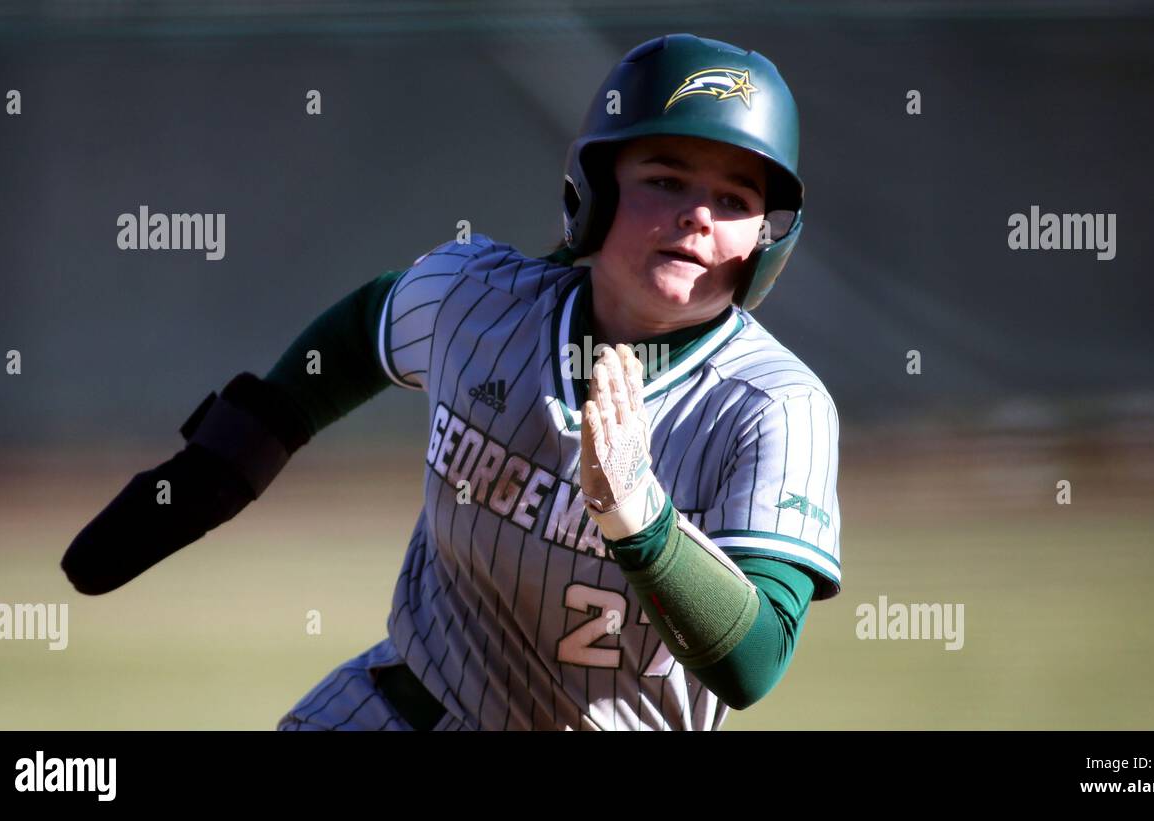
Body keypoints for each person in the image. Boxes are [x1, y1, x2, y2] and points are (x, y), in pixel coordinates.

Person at [61, 32, 842, 731]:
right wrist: (222, 465)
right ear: (594, 192)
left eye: (735, 200)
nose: (698, 216)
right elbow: (359, 333)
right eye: (666, 179)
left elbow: (755, 662)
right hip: (397, 705)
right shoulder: (478, 300)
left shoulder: (775, 407)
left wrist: (642, 520)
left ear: (767, 243)